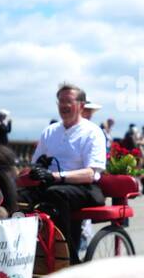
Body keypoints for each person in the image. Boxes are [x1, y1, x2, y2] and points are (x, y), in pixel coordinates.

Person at [26, 83, 107, 263]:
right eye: (60, 101)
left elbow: (90, 173)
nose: (63, 105)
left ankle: (69, 257)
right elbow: (35, 164)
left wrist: (57, 176)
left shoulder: (92, 132)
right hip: (53, 185)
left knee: (56, 194)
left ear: (81, 105)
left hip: (83, 187)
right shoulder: (50, 131)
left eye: (68, 101)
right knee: (18, 197)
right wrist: (38, 167)